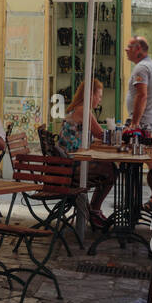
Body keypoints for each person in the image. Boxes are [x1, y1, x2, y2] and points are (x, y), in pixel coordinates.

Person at [55, 79, 114, 228]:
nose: (100, 100)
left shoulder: (77, 108)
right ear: (90, 94)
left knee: (109, 168)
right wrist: (119, 132)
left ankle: (94, 209)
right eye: (99, 96)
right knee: (111, 170)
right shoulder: (83, 110)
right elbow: (100, 134)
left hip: (65, 163)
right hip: (71, 166)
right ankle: (94, 210)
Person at [124, 36, 152, 134]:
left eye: (129, 47)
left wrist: (134, 124)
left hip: (143, 123)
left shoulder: (141, 68)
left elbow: (142, 95)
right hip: (151, 120)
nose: (126, 49)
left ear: (138, 49)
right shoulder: (151, 65)